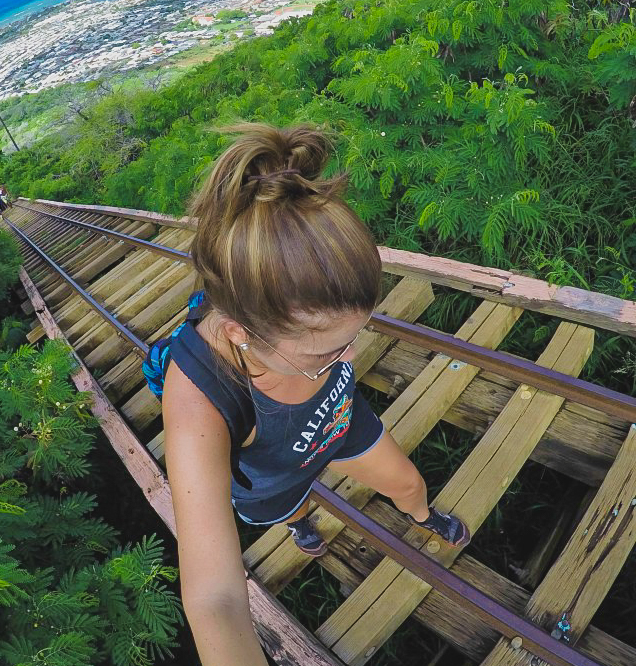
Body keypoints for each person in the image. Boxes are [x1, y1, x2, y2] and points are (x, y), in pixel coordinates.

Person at [162, 122, 470, 665]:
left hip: (338, 423)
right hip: (272, 480)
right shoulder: (198, 400)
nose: (348, 360)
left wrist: (321, 359)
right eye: (324, 353)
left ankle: (423, 517)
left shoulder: (280, 309)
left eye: (354, 337)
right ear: (239, 332)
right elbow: (214, 598)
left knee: (407, 481)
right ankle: (301, 522)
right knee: (293, 506)